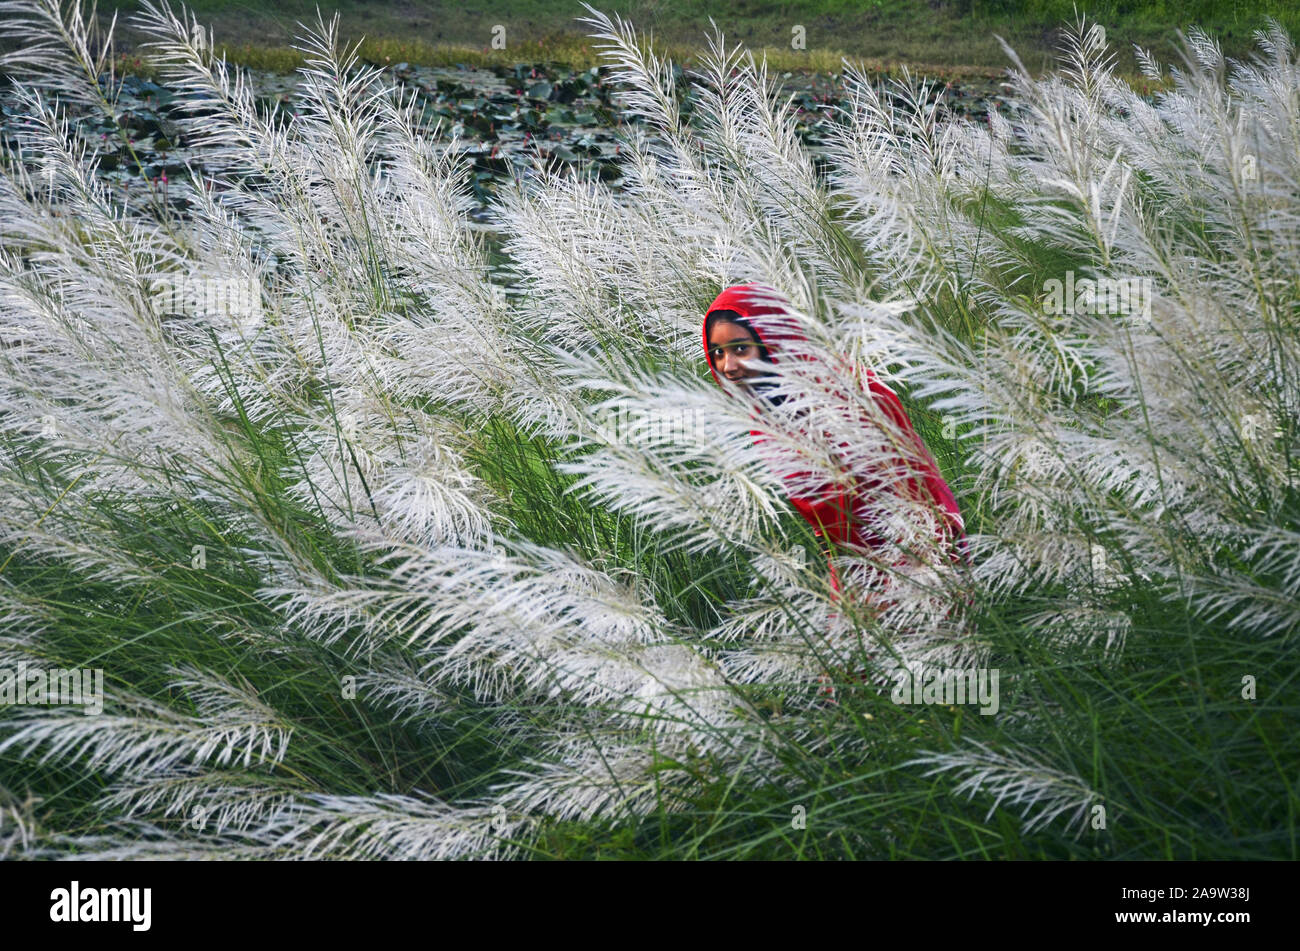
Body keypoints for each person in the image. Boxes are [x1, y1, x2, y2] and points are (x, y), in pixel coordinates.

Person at [703, 283, 968, 686]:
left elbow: (914, 481)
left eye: (740, 348)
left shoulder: (847, 391)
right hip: (850, 568)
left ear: (772, 341)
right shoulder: (764, 420)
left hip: (912, 552)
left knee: (935, 674)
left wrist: (924, 559)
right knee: (855, 688)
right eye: (718, 352)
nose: (728, 366)